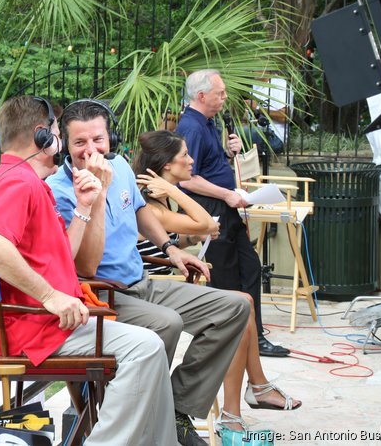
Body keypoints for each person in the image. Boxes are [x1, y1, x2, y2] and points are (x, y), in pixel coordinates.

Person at [0, 95, 176, 445]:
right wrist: (50, 296)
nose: (61, 143)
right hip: (33, 331)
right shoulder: (19, 182)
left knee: (150, 346)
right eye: (55, 132)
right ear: (43, 139)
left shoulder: (25, 180)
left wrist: (84, 206)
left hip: (42, 325)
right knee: (147, 349)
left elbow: (61, 255)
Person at [46, 100, 249, 446]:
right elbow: (85, 267)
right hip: (105, 295)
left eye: (97, 140)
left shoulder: (120, 166)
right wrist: (98, 192)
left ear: (111, 138)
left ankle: (175, 406)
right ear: (65, 144)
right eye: (80, 143)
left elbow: (140, 211)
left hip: (143, 281)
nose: (90, 150)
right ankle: (147, 417)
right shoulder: (59, 191)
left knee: (236, 307)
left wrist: (171, 250)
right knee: (167, 322)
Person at [134, 130, 302, 433]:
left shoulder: (157, 202)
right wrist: (177, 192)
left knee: (242, 304)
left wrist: (189, 238)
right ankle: (247, 398)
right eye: (184, 155)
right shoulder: (154, 204)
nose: (191, 160)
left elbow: (183, 235)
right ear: (167, 167)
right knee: (241, 306)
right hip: (149, 286)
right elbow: (208, 223)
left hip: (162, 273)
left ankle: (246, 399)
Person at [175, 69, 290, 357]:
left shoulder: (208, 123)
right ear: (201, 95)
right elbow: (187, 178)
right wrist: (227, 194)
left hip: (226, 208)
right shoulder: (191, 127)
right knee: (226, 275)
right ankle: (236, 339)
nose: (225, 97)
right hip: (212, 210)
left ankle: (254, 335)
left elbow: (209, 165)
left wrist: (228, 154)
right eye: (220, 93)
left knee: (250, 267)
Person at [244, 76, 290, 155]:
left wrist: (258, 108)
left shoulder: (279, 84)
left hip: (274, 137)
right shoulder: (255, 85)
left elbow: (285, 117)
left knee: (233, 133)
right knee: (227, 131)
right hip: (256, 132)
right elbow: (247, 118)